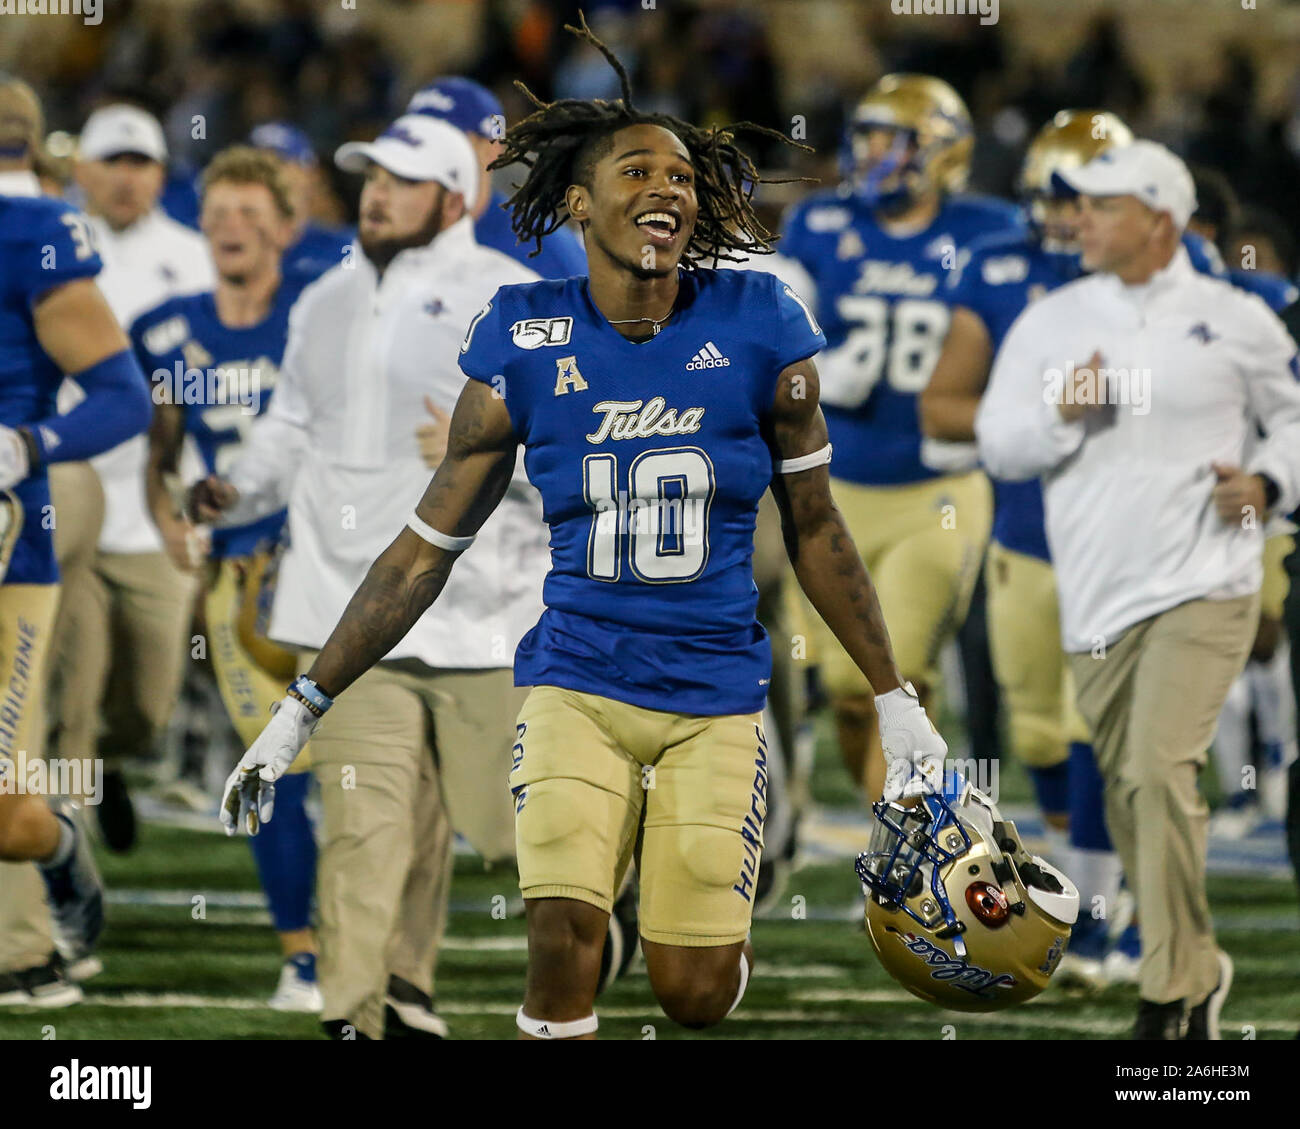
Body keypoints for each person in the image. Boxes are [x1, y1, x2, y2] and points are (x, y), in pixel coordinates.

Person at [219, 18, 949, 1041]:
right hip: (576, 677)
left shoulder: (760, 323)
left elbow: (818, 529)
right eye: (638, 169)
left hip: (712, 691)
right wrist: (305, 701)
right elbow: (424, 548)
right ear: (577, 200)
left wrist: (894, 698)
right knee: (562, 932)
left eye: (685, 177)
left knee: (691, 995)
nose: (667, 188)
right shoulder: (522, 335)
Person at [193, 113, 551, 1040]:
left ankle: (617, 921)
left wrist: (495, 455)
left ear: (455, 196)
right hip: (354, 621)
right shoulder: (325, 296)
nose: (376, 194)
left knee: (520, 838)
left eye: (400, 179)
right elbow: (290, 427)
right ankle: (354, 1015)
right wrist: (231, 492)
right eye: (369, 178)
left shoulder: (511, 300)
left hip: (481, 616)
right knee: (361, 827)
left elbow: (572, 447)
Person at [976, 140, 1300, 1039]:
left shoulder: (1240, 318)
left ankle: (1164, 997)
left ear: (1159, 218)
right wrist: (1059, 417)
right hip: (1096, 592)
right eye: (1077, 204)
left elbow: (1295, 420)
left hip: (1208, 582)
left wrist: (1270, 485)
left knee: (1158, 771)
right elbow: (1000, 443)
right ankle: (1200, 967)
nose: (1077, 220)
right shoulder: (1051, 320)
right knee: (1127, 786)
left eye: (1102, 205)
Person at [920, 109, 1139, 988]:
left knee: (1101, 731)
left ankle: (1098, 914)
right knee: (1041, 729)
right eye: (1055, 195)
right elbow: (943, 407)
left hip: (1124, 540)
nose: (1067, 215)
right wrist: (1043, 417)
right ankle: (1077, 889)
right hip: (1023, 533)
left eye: (1084, 196)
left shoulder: (1170, 275)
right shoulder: (1003, 268)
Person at [763, 73, 1021, 797]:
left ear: (941, 149)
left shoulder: (991, 231)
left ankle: (900, 867)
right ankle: (907, 829)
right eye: (867, 134)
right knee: (848, 690)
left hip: (937, 485)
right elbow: (777, 329)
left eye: (893, 137)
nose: (873, 153)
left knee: (897, 674)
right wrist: (812, 369)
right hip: (831, 488)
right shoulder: (820, 226)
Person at [134, 145, 322, 1011]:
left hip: (334, 562)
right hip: (242, 578)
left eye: (252, 215)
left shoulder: (321, 317)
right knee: (271, 764)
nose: (231, 230)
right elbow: (162, 449)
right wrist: (171, 517)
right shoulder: (169, 328)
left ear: (286, 226)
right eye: (218, 216)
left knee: (364, 765)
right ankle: (303, 954)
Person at [0, 77, 151, 1006]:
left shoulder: (30, 233)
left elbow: (121, 396)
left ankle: (54, 844)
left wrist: (24, 444)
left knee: (5, 813)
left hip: (10, 546)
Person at [45, 103, 214, 853]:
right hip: (64, 499)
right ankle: (64, 874)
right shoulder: (44, 244)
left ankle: (110, 766)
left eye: (140, 161)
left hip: (157, 508)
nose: (125, 176)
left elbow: (217, 383)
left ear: (159, 173)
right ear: (82, 168)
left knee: (149, 703)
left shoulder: (195, 255)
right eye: (111, 160)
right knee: (65, 700)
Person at [407, 77, 586, 278]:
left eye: (445, 140)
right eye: (414, 140)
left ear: (491, 149)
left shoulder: (543, 248)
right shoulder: (387, 228)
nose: (423, 153)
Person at [247, 121, 353, 283]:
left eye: (279, 162)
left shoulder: (346, 249)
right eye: (255, 165)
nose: (264, 175)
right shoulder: (231, 246)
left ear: (311, 174)